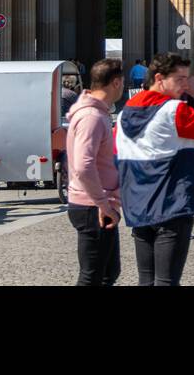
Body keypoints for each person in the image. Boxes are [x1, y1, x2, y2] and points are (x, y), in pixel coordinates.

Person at [116, 52, 194, 286]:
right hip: (171, 204)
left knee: (146, 280)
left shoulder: (125, 113)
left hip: (138, 205)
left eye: (188, 79)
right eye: (180, 79)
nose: (186, 85)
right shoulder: (173, 110)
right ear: (159, 78)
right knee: (167, 281)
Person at [66, 58, 125, 286]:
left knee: (108, 272)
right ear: (117, 83)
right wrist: (102, 203)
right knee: (92, 276)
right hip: (93, 206)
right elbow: (83, 165)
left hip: (98, 203)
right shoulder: (92, 117)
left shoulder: (95, 113)